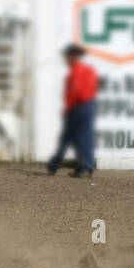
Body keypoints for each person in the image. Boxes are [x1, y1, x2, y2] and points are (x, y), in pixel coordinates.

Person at [46, 43, 98, 178]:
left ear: (72, 56)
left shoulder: (75, 72)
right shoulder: (87, 70)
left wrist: (69, 107)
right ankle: (83, 165)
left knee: (74, 137)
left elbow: (76, 92)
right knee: (78, 137)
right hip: (87, 105)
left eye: (68, 56)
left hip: (79, 107)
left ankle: (60, 164)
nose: (66, 58)